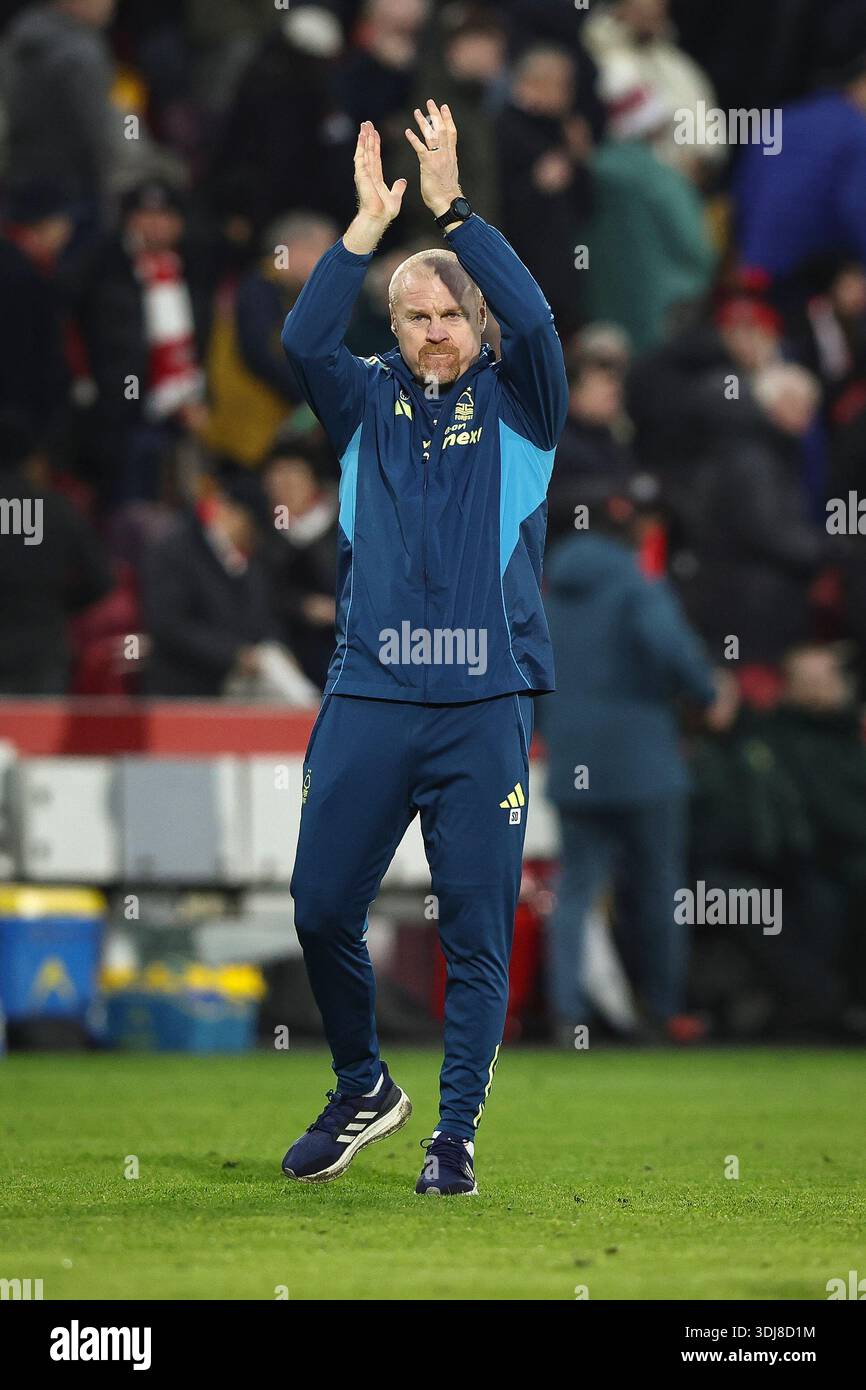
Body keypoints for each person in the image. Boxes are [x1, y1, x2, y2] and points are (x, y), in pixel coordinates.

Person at [279, 104, 568, 1195]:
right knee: (317, 906)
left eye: (451, 310)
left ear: (472, 321)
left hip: (482, 701)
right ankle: (361, 1084)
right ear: (391, 330)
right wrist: (362, 233)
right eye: (414, 314)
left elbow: (537, 322)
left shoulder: (522, 404)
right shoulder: (359, 404)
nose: (435, 328)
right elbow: (302, 340)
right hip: (369, 693)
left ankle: (452, 1139)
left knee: (475, 935)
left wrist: (454, 209)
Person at [538, 498, 718, 1044]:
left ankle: (567, 1015)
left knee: (575, 890)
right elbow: (672, 651)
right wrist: (706, 693)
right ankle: (663, 1009)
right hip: (643, 761)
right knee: (658, 886)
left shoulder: (548, 594)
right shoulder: (638, 586)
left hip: (573, 761)